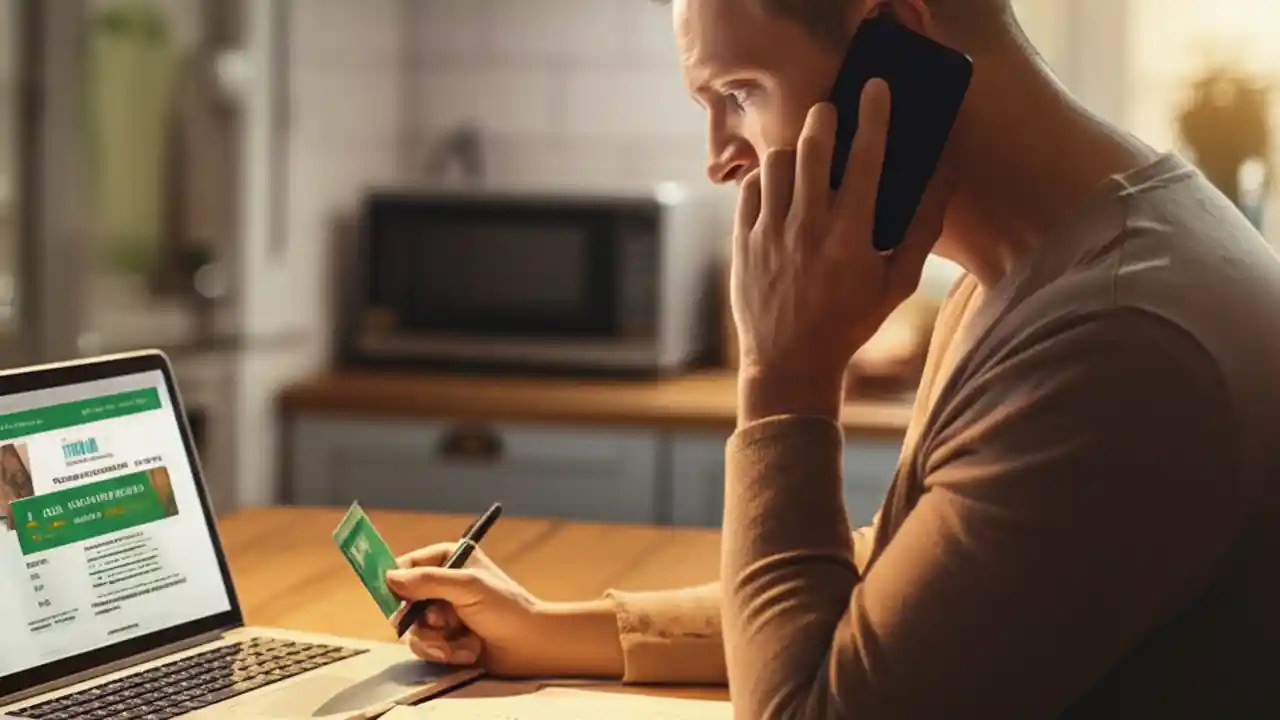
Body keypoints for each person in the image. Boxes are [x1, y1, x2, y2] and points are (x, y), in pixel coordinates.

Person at [385, 0, 1280, 716]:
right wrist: (553, 631)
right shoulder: (1049, 264)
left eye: (738, 91)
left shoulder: (1118, 344)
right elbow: (908, 586)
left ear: (893, 48)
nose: (718, 159)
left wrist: (784, 379)